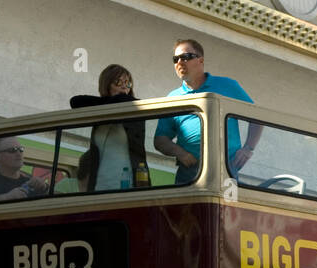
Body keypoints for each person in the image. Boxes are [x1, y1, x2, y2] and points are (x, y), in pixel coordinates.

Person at [153, 38, 262, 185]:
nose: (180, 62)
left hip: (226, 170)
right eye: (176, 59)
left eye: (185, 57)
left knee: (227, 208)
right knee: (185, 209)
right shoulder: (173, 97)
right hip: (189, 172)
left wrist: (248, 149)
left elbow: (257, 117)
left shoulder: (227, 86)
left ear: (200, 60)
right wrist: (181, 153)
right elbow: (160, 139)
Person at [69, 64, 148, 192]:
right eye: (118, 82)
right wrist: (106, 104)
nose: (124, 86)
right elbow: (75, 101)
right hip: (99, 186)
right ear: (107, 84)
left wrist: (112, 100)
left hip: (128, 186)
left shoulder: (134, 108)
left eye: (128, 83)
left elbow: (123, 100)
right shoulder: (101, 111)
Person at [0, 136, 49, 202]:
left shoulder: (32, 183)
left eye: (21, 149)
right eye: (12, 150)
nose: (19, 154)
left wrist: (44, 188)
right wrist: (6, 197)